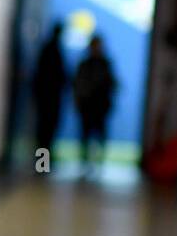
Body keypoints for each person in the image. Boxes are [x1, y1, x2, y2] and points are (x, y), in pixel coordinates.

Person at [73, 33, 117, 176]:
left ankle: (98, 162)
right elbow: (78, 84)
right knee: (85, 135)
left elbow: (112, 84)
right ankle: (85, 162)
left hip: (100, 106)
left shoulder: (105, 64)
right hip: (87, 106)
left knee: (100, 135)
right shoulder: (85, 64)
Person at [32, 22, 67, 158]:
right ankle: (43, 163)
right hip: (49, 97)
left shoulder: (53, 48)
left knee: (47, 130)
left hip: (49, 97)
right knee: (46, 131)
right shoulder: (52, 49)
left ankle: (44, 162)